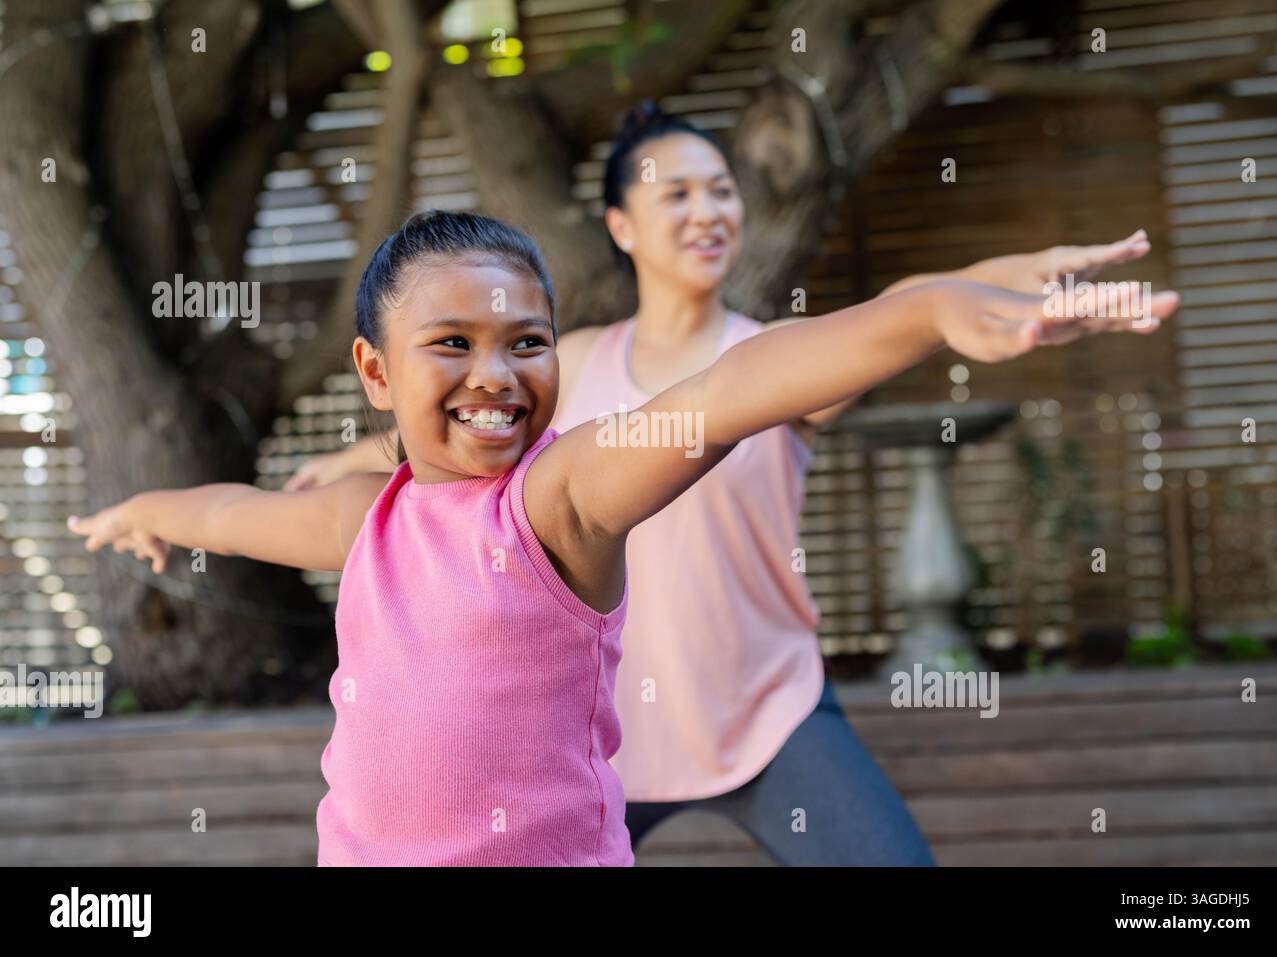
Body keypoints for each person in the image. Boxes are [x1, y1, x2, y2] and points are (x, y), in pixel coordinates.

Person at [284, 105, 1164, 865]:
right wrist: (350, 464)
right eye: (677, 193)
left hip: (765, 709)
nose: (709, 211)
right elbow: (455, 429)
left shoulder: (781, 356)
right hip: (602, 731)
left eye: (723, 191)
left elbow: (887, 315)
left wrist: (991, 285)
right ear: (621, 225)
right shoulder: (574, 361)